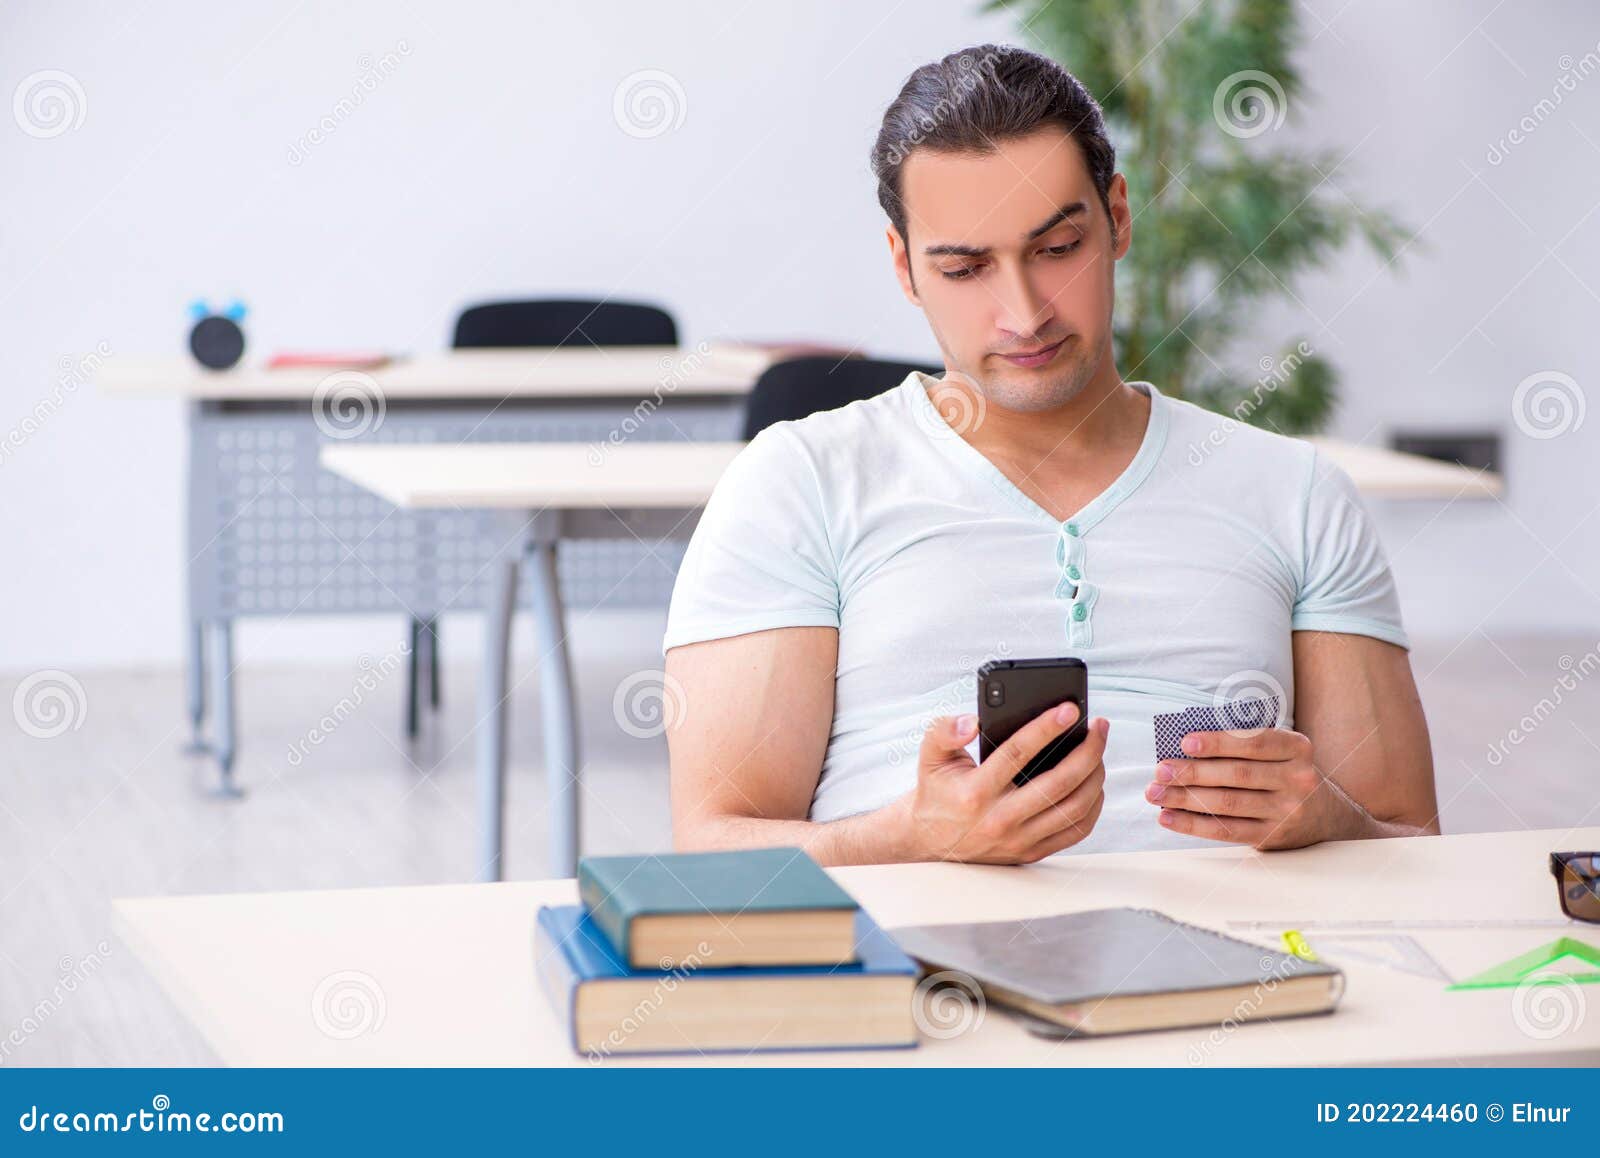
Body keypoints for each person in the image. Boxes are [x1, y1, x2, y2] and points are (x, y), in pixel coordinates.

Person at [661, 44, 1438, 866]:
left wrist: (1328, 820)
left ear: (1118, 219)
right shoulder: (800, 483)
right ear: (904, 267)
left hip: (1243, 969)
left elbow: (1412, 842)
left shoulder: (1298, 493)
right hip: (923, 969)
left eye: (1058, 249)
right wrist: (912, 837)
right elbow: (711, 852)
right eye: (965, 268)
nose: (1024, 314)